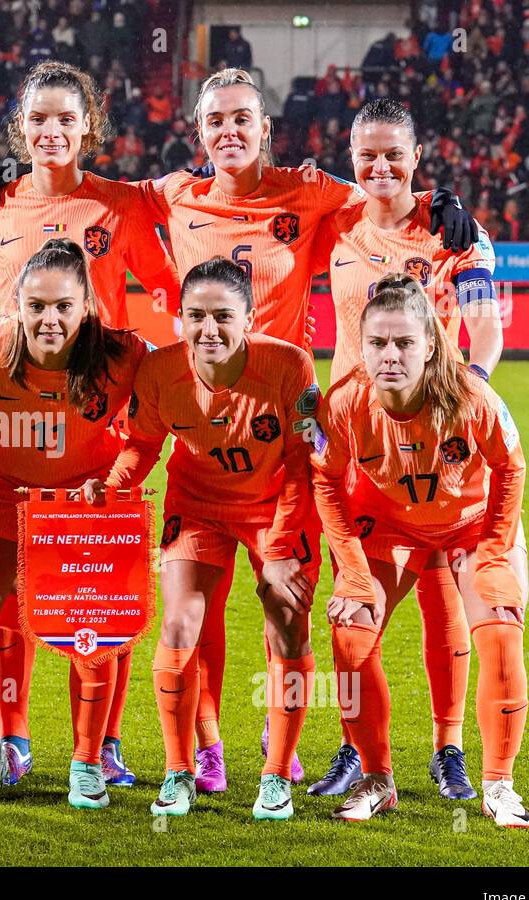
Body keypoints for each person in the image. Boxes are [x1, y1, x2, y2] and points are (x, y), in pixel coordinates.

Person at [0, 67, 476, 795]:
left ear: (265, 127)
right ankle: (205, 749)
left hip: (288, 436)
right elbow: (90, 191)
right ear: (199, 132)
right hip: (203, 431)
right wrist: (13, 176)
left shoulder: (309, 190)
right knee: (194, 614)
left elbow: (384, 189)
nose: (229, 131)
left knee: (290, 609)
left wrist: (444, 203)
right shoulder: (173, 194)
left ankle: (286, 741)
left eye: (242, 118)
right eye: (215, 120)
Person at [0, 60, 181, 789]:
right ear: (19, 129)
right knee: (5, 602)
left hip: (97, 428)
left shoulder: (118, 205)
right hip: (18, 425)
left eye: (65, 118)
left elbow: (171, 291)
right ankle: (13, 739)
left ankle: (104, 747)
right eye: (38, 119)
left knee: (100, 600)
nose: (51, 131)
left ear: (89, 125)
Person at [307, 97, 502, 799]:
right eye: (368, 155)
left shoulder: (455, 230)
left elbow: (486, 325)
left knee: (443, 599)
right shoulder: (333, 220)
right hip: (357, 443)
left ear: (417, 157)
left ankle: (449, 748)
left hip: (437, 442)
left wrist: (473, 390)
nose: (381, 166)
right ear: (351, 160)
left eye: (395, 154)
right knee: (354, 603)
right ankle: (358, 750)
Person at [83, 258, 321, 819]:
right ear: (180, 317)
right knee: (179, 623)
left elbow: (301, 465)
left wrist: (280, 552)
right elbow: (143, 444)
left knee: (287, 622)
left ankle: (276, 774)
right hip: (197, 507)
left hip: (276, 507)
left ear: (249, 318)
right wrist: (111, 488)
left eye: (222, 316)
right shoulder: (160, 371)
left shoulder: (290, 365)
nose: (208, 329)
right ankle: (181, 769)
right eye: (195, 316)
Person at [311, 275, 529, 827]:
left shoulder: (471, 396)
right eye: (378, 343)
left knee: (501, 631)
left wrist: (495, 551)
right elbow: (325, 482)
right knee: (351, 631)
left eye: (404, 343)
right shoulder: (345, 402)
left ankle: (500, 786)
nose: (391, 355)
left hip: (470, 526)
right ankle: (376, 779)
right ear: (360, 345)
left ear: (430, 345)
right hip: (388, 525)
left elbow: (511, 468)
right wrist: (352, 572)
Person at [0, 238, 149, 809]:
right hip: (2, 491)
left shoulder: (123, 355)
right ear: (17, 306)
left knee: (94, 631)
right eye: (36, 306)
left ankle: (87, 762)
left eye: (63, 306)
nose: (49, 319)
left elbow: (181, 383)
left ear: (86, 306)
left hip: (84, 502)